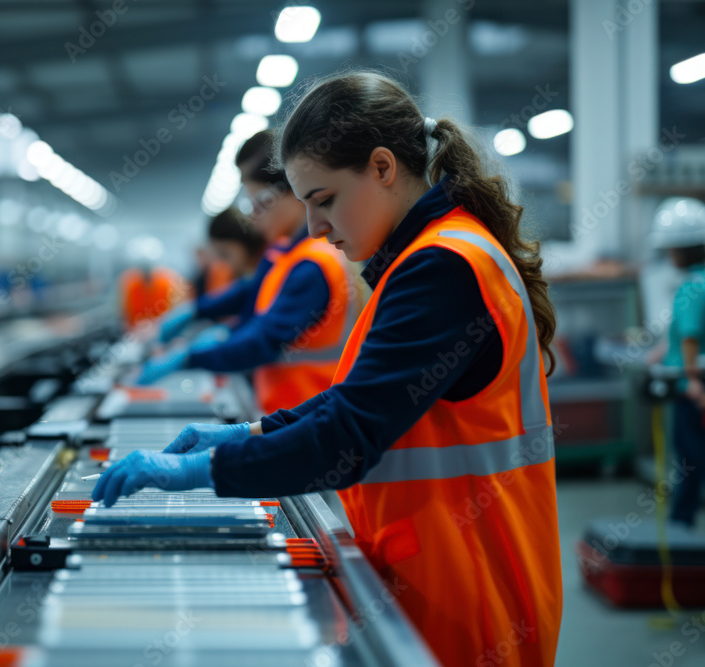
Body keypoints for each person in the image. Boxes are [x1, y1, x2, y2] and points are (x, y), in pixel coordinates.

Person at [95, 72, 562, 666]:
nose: (313, 229)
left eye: (325, 201)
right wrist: (249, 433)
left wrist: (204, 470)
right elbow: (356, 400)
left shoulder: (443, 268)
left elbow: (348, 436)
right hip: (435, 577)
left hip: (468, 601)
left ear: (383, 168)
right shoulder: (426, 257)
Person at [138, 130, 359, 416]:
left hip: (312, 413)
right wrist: (198, 312)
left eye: (259, 202)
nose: (253, 217)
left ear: (290, 189)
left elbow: (263, 341)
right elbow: (249, 297)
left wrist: (191, 356)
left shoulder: (314, 264)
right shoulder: (283, 253)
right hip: (284, 411)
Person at [649, 197, 705, 527]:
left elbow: (691, 336)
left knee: (694, 460)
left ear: (680, 249)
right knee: (702, 459)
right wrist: (663, 349)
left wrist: (692, 379)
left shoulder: (690, 288)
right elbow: (688, 334)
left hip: (694, 389)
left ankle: (681, 527)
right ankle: (683, 524)